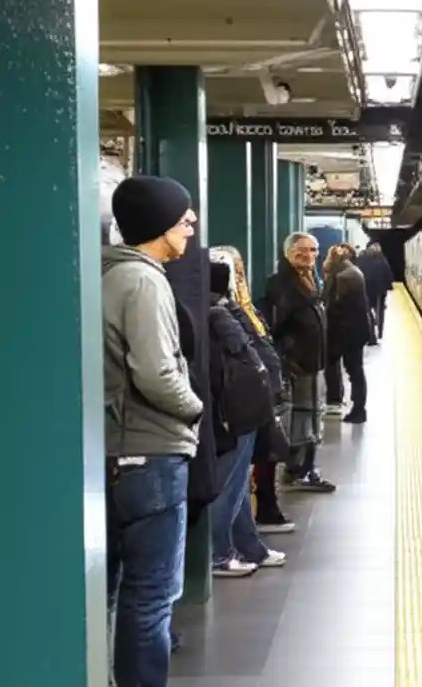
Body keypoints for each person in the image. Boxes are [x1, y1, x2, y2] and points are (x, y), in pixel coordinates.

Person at [102, 175, 204, 686]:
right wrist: (195, 409)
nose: (190, 228)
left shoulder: (108, 274)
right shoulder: (143, 281)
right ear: (159, 224)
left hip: (118, 452)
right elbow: (156, 372)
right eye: (184, 219)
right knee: (152, 598)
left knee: (112, 589)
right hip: (149, 453)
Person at [207, 261, 287, 577]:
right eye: (235, 274)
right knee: (230, 485)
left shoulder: (230, 311)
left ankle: (249, 546)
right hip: (239, 410)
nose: (241, 280)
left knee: (238, 485)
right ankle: (220, 554)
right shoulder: (220, 315)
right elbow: (245, 352)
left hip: (247, 409)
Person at [259, 232, 336, 493]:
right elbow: (277, 326)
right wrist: (289, 359)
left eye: (314, 250)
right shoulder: (281, 283)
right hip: (299, 365)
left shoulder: (310, 279)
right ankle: (299, 469)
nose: (309, 255)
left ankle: (305, 467)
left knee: (313, 415)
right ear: (288, 253)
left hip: (313, 362)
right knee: (302, 417)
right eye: (302, 250)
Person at [323, 243, 372, 424]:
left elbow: (333, 305)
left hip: (347, 332)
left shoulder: (343, 276)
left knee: (353, 371)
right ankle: (353, 406)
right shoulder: (352, 272)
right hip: (355, 330)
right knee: (355, 370)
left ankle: (356, 409)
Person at [357, 242, 394, 344]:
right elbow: (388, 273)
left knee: (369, 312)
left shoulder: (362, 258)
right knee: (377, 313)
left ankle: (374, 334)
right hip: (377, 290)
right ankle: (376, 333)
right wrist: (388, 286)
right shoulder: (381, 259)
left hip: (371, 290)